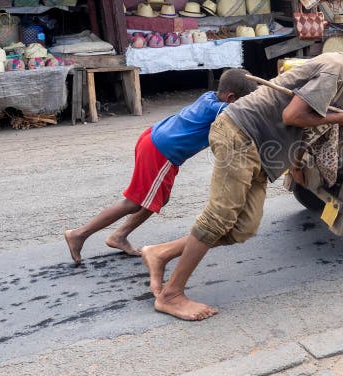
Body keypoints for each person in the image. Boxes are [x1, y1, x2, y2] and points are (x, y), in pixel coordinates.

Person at [141, 20, 343, 321]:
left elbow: (303, 120)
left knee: (243, 227)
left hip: (262, 148)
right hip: (241, 134)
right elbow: (293, 115)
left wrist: (296, 161)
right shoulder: (335, 68)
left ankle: (161, 253)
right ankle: (171, 295)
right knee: (219, 218)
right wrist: (341, 118)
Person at [64, 69, 257, 265]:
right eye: (241, 100)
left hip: (154, 138)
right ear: (231, 98)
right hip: (161, 151)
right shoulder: (221, 109)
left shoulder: (209, 97)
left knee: (158, 199)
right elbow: (247, 111)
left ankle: (119, 236)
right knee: (134, 203)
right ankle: (79, 234)